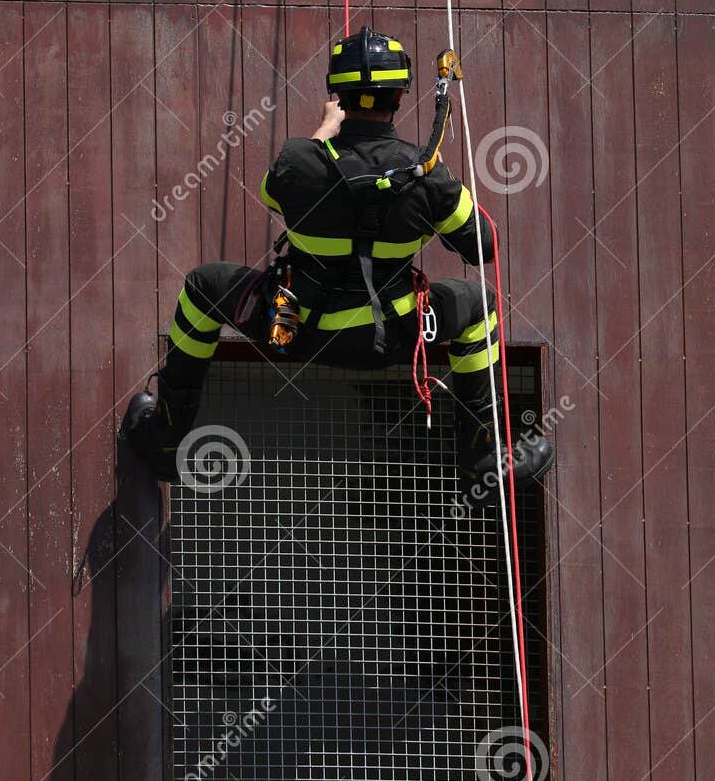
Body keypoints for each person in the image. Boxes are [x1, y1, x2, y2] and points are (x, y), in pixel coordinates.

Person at [120, 28, 554, 506]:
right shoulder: (426, 175)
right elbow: (482, 246)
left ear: (336, 95)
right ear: (401, 94)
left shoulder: (298, 161)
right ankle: (481, 456)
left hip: (293, 331)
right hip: (392, 338)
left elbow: (271, 191)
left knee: (203, 288)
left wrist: (323, 132)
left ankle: (166, 437)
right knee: (480, 307)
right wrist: (438, 183)